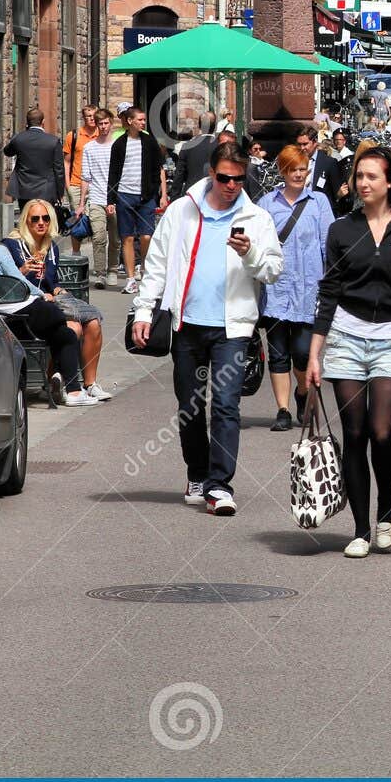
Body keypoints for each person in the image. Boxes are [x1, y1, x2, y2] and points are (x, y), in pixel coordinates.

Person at [133, 142, 283, 515]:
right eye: (224, 178)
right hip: (187, 324)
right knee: (190, 405)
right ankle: (197, 472)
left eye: (238, 178)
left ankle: (219, 485)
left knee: (227, 405)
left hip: (232, 329)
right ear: (211, 174)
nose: (232, 184)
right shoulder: (183, 211)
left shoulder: (256, 217)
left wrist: (248, 252)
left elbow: (273, 271)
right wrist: (143, 311)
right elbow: (157, 263)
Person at [307, 146, 391, 556]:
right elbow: (329, 292)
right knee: (355, 433)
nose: (363, 183)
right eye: (359, 176)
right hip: (345, 336)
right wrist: (315, 354)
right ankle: (361, 529)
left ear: (389, 182)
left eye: (371, 177)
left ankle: (387, 505)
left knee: (382, 433)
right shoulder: (342, 229)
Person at [0, 210, 95, 407]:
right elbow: (19, 281)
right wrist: (43, 295)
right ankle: (71, 389)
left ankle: (69, 387)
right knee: (59, 319)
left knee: (64, 334)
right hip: (16, 315)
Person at [258, 145, 335, 432]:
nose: (299, 174)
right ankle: (282, 410)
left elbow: (329, 243)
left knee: (303, 353)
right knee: (278, 353)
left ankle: (302, 393)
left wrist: (331, 284)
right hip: (276, 291)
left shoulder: (318, 202)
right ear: (283, 171)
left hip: (308, 290)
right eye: (294, 170)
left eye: (303, 169)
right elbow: (260, 244)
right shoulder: (267, 204)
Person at [4, 198, 111, 400]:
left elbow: (51, 281)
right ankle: (60, 381)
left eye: (45, 218)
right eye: (35, 219)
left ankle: (90, 384)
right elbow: (7, 284)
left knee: (94, 323)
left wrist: (57, 290)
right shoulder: (11, 246)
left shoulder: (51, 247)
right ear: (25, 221)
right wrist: (23, 270)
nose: (41, 223)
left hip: (50, 305)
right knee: (74, 328)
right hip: (27, 309)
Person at [107, 104, 169, 295]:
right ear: (130, 121)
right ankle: (131, 278)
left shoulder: (149, 142)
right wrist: (110, 199)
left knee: (146, 236)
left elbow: (160, 169)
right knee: (127, 237)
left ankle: (144, 268)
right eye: (140, 120)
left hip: (146, 195)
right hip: (125, 195)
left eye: (144, 119)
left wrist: (163, 194)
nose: (143, 122)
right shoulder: (119, 144)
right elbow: (113, 172)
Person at [78, 108, 116, 287]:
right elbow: (85, 177)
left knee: (115, 238)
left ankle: (113, 270)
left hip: (116, 199)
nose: (103, 126)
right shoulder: (89, 148)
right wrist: (81, 203)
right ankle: (100, 273)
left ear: (111, 123)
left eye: (106, 123)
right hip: (96, 198)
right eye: (100, 123)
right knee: (99, 237)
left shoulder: (118, 145)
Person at [3, 104, 67, 209]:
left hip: (24, 189)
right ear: (43, 122)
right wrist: (60, 192)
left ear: (27, 123)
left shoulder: (19, 139)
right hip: (46, 190)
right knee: (45, 220)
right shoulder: (53, 141)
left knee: (26, 218)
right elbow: (59, 169)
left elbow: (7, 152)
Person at [63, 105, 101, 252]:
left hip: (97, 185)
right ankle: (76, 252)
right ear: (83, 118)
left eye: (94, 116)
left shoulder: (102, 134)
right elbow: (66, 161)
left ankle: (98, 255)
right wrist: (68, 184)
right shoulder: (74, 136)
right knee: (76, 219)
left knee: (96, 219)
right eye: (88, 116)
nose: (91, 119)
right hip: (76, 183)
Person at [296, 124, 346, 212]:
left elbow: (336, 192)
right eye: (299, 144)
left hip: (320, 211)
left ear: (315, 142)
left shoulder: (329, 163)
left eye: (305, 144)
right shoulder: (294, 161)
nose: (302, 148)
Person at [173, 111, 220, 199]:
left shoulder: (187, 146)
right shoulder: (220, 146)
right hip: (214, 195)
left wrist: (174, 198)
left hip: (191, 193)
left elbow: (179, 175)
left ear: (199, 125)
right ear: (215, 126)